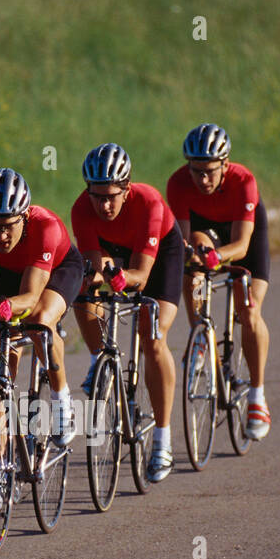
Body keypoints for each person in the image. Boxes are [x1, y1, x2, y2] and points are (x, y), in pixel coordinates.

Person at [70, 143, 183, 483]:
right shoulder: (81, 208)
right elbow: (92, 264)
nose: (104, 205)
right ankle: (98, 362)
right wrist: (97, 274)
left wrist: (117, 276)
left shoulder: (148, 202)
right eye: (96, 196)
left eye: (111, 196)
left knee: (152, 335)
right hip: (113, 252)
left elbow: (141, 276)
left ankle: (162, 440)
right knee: (82, 290)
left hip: (159, 257)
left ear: (127, 189)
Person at [0, 168, 84, 451]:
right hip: (12, 271)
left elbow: (30, 298)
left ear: (25, 216)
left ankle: (61, 400)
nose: (2, 235)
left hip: (58, 269)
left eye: (9, 226)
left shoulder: (45, 227)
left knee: (40, 321)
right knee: (1, 368)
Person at [166, 123, 271, 440]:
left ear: (225, 164)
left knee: (249, 311)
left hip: (242, 238)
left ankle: (257, 395)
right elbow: (184, 241)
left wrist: (218, 258)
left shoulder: (244, 181)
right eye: (196, 171)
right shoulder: (179, 183)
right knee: (192, 265)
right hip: (205, 233)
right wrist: (197, 259)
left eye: (210, 171)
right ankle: (200, 334)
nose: (203, 180)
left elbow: (241, 246)